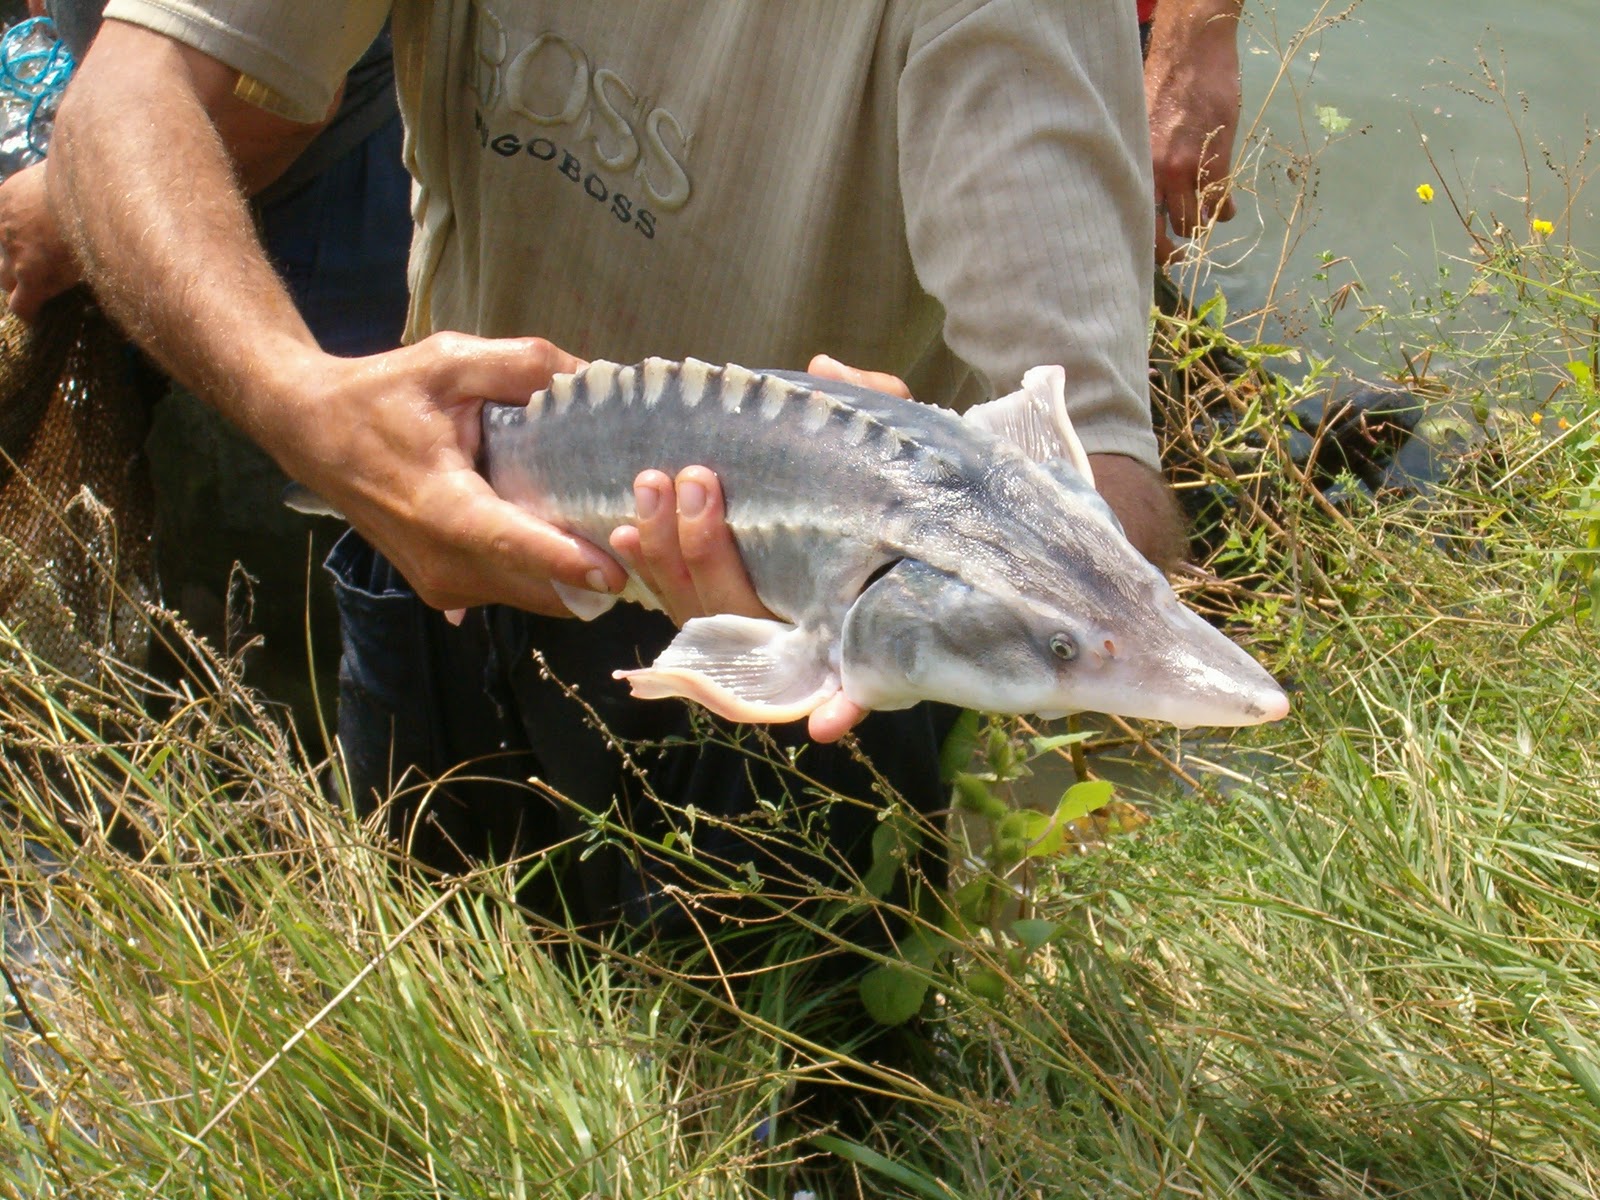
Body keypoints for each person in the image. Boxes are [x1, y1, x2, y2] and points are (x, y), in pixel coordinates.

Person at [46, 3, 1183, 983]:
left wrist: (1012, 550)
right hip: (444, 537)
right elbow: (126, 94)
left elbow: (1110, 487)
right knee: (430, 1037)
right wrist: (303, 402)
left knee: (787, 1127)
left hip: (801, 657)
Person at [0, 2, 413, 721]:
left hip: (314, 206)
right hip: (150, 170)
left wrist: (71, 204)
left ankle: (298, 773)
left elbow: (279, 97)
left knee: (289, 570)